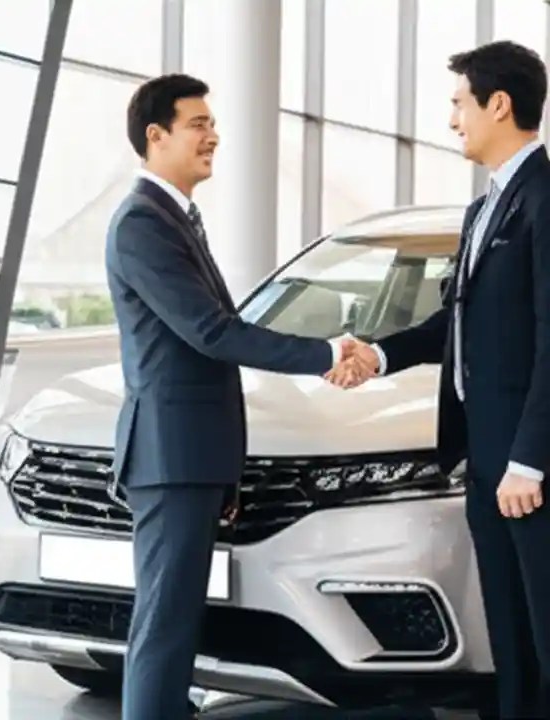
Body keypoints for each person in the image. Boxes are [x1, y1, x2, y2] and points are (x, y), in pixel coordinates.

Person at [105, 73, 360, 720]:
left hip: (192, 456)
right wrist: (326, 353)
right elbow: (212, 332)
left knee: (176, 620)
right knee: (163, 625)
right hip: (171, 458)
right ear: (155, 136)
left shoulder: (174, 219)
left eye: (212, 123)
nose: (213, 134)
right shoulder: (142, 222)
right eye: (198, 123)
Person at [331, 40, 550, 718]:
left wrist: (530, 461)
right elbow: (454, 327)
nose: (453, 119)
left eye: (460, 103)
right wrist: (378, 354)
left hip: (527, 470)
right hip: (485, 459)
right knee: (509, 638)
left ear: (499, 104)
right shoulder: (483, 210)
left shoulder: (545, 201)